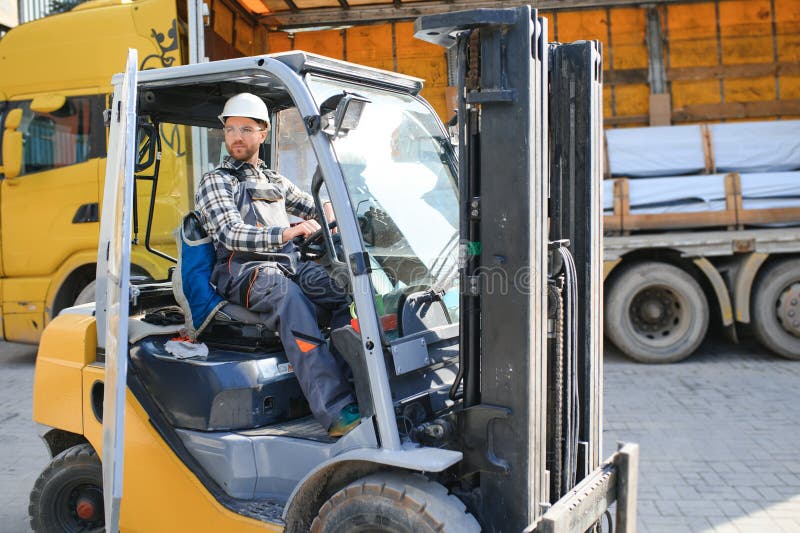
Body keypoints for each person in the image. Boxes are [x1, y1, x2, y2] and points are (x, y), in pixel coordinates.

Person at [195, 93, 359, 437]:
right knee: (292, 302)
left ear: (262, 134)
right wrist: (288, 231)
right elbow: (230, 232)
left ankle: (353, 387)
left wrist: (332, 212)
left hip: (286, 264)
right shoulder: (217, 180)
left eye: (245, 129)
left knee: (343, 291)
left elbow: (311, 206)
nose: (236, 137)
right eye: (230, 129)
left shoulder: (274, 181)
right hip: (244, 271)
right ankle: (335, 410)